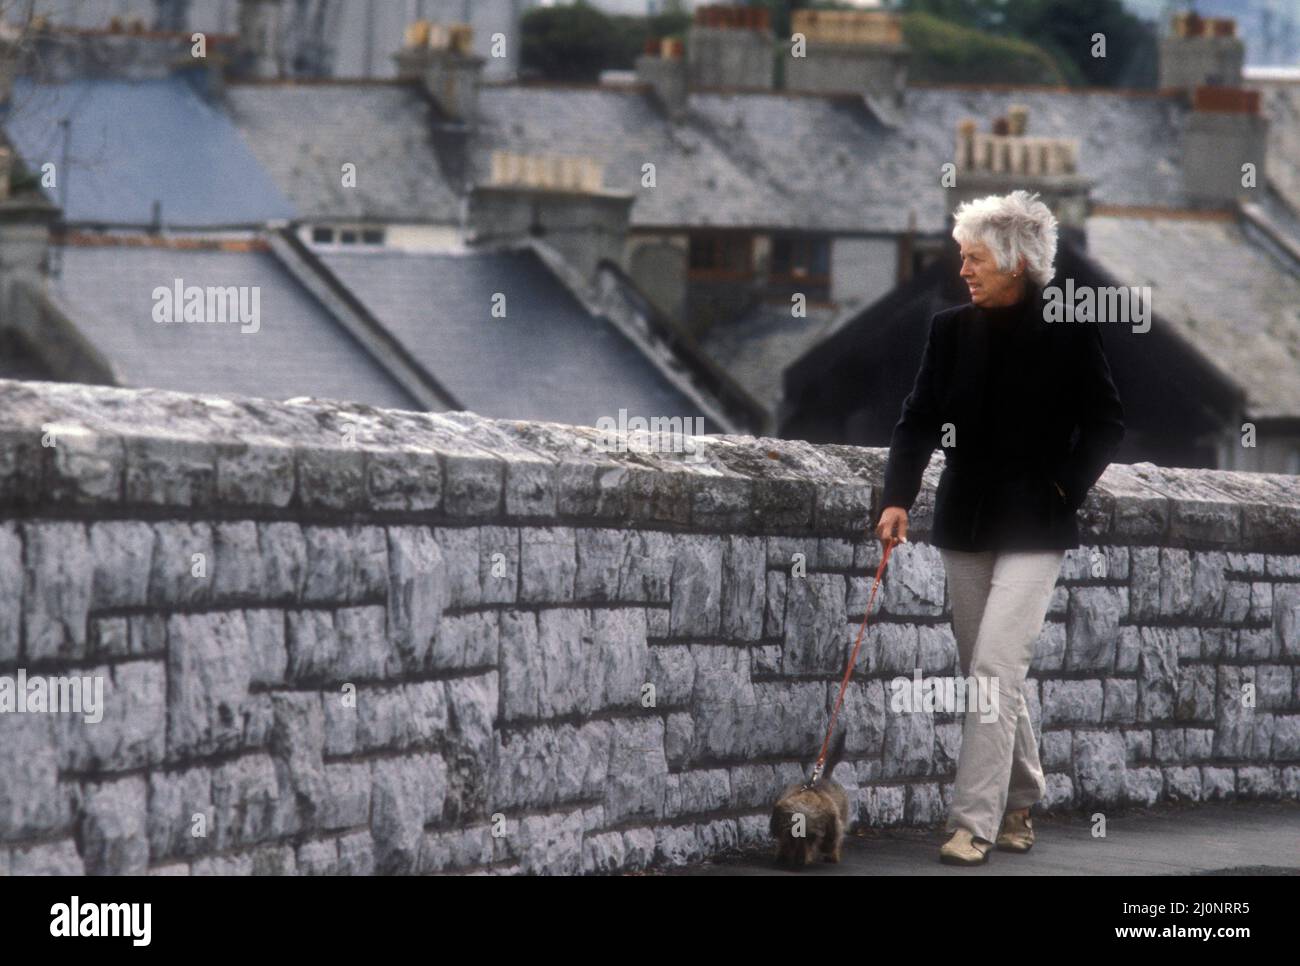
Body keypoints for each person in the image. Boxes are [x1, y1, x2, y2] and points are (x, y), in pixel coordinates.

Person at [874, 190, 1125, 865]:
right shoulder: (950, 330)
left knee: (992, 669)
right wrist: (898, 496)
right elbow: (919, 417)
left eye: (975, 258)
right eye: (963, 257)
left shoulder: (1071, 330)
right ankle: (1021, 799)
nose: (963, 270)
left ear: (1015, 264)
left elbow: (1106, 421)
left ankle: (972, 824)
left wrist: (1063, 486)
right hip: (963, 521)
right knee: (985, 672)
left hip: (1038, 527)